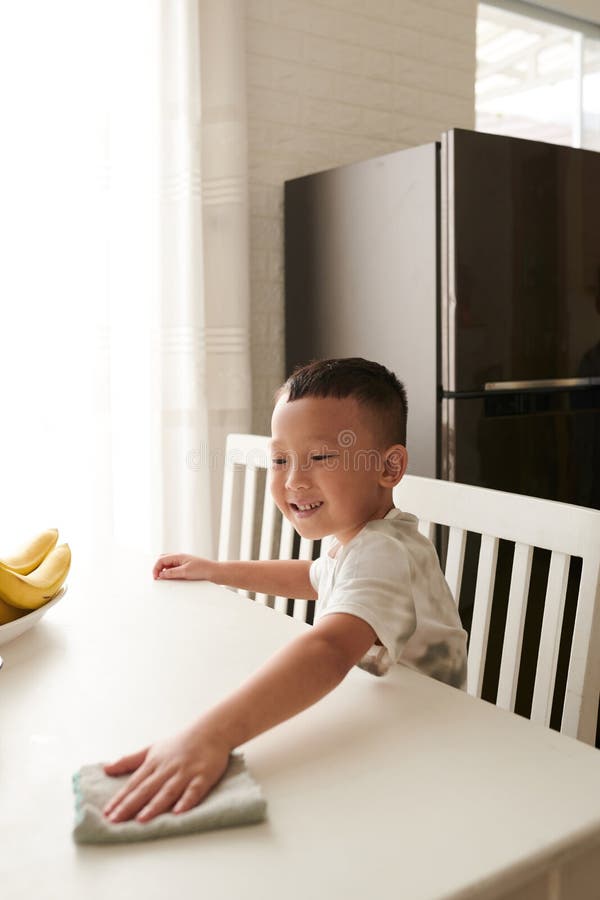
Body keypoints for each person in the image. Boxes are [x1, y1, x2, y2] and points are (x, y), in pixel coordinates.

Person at [102, 357, 467, 824]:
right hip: (387, 723)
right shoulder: (362, 543)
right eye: (279, 460)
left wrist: (211, 735)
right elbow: (314, 576)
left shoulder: (384, 552)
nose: (293, 480)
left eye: (320, 457)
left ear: (389, 467)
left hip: (433, 751)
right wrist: (217, 570)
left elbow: (328, 650)